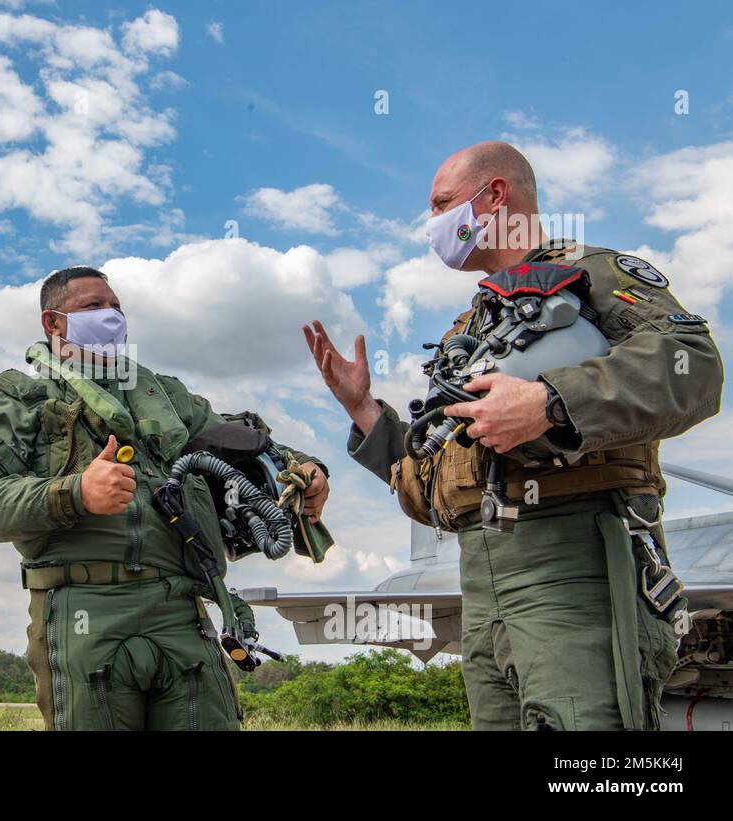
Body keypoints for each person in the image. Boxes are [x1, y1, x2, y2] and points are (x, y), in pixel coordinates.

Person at [304, 140, 723, 730]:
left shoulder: (590, 275)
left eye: (442, 204)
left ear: (494, 196)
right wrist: (365, 410)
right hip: (483, 584)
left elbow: (695, 367)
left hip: (576, 567)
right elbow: (437, 491)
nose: (432, 224)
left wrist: (550, 402)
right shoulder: (471, 327)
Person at [0, 265, 331, 730]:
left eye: (116, 306)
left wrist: (305, 468)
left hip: (180, 605)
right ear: (53, 324)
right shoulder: (14, 405)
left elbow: (238, 437)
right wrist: (76, 492)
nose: (111, 316)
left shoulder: (163, 395)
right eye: (93, 306)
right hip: (84, 609)